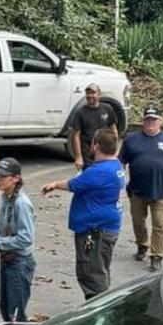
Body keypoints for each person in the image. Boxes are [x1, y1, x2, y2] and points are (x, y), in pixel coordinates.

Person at [42, 128, 126, 300]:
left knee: (92, 275)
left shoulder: (99, 171)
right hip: (103, 227)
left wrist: (54, 184)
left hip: (95, 231)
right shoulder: (115, 165)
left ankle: (98, 316)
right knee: (100, 270)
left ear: (96, 146)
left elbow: (74, 184)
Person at [118, 104, 163, 272]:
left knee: (159, 224)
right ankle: (142, 244)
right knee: (138, 220)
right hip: (137, 190)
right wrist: (116, 183)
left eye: (154, 119)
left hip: (160, 191)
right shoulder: (131, 140)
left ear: (161, 121)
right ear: (143, 121)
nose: (151, 122)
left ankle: (157, 256)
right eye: (148, 119)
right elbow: (120, 162)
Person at [0, 157, 36, 322]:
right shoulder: (7, 198)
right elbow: (8, 228)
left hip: (19, 263)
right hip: (8, 260)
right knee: (5, 308)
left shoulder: (21, 204)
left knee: (15, 315)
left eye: (3, 177)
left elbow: (25, 238)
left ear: (15, 179)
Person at [69, 84, 120, 171]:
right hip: (88, 155)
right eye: (88, 93)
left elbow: (113, 130)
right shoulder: (80, 112)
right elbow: (76, 135)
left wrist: (115, 150)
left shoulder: (108, 109)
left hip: (105, 153)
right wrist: (79, 157)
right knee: (90, 179)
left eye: (93, 93)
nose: (90, 95)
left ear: (99, 95)